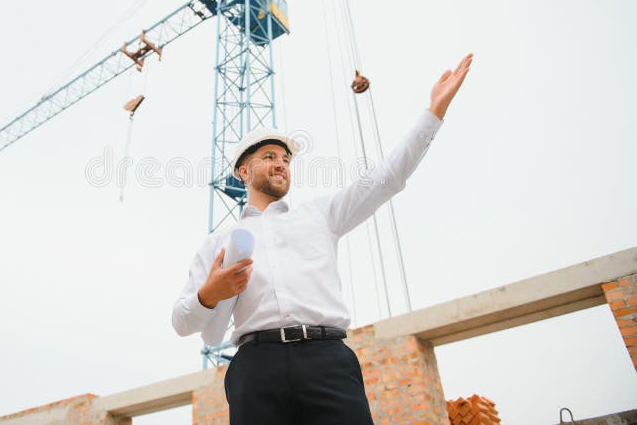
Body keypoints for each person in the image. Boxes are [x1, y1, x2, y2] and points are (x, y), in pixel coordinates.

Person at [172, 54, 474, 424]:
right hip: (255, 368)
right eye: (270, 156)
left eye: (285, 158)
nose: (281, 163)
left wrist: (433, 113)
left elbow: (387, 178)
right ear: (243, 171)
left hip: (327, 360)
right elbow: (181, 320)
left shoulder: (321, 215)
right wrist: (210, 294)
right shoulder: (217, 242)